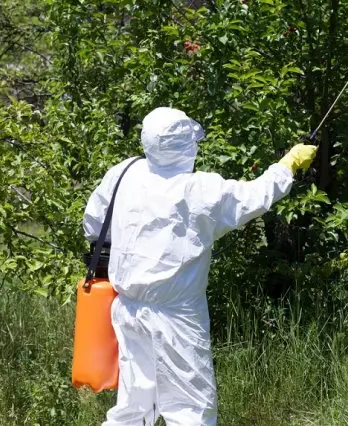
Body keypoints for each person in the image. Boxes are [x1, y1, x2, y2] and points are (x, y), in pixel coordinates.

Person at [82, 107, 317, 425]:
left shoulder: (124, 172)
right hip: (177, 316)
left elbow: (93, 227)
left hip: (127, 309)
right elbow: (254, 196)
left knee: (134, 406)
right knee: (191, 409)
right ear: (184, 145)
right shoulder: (200, 190)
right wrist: (288, 165)